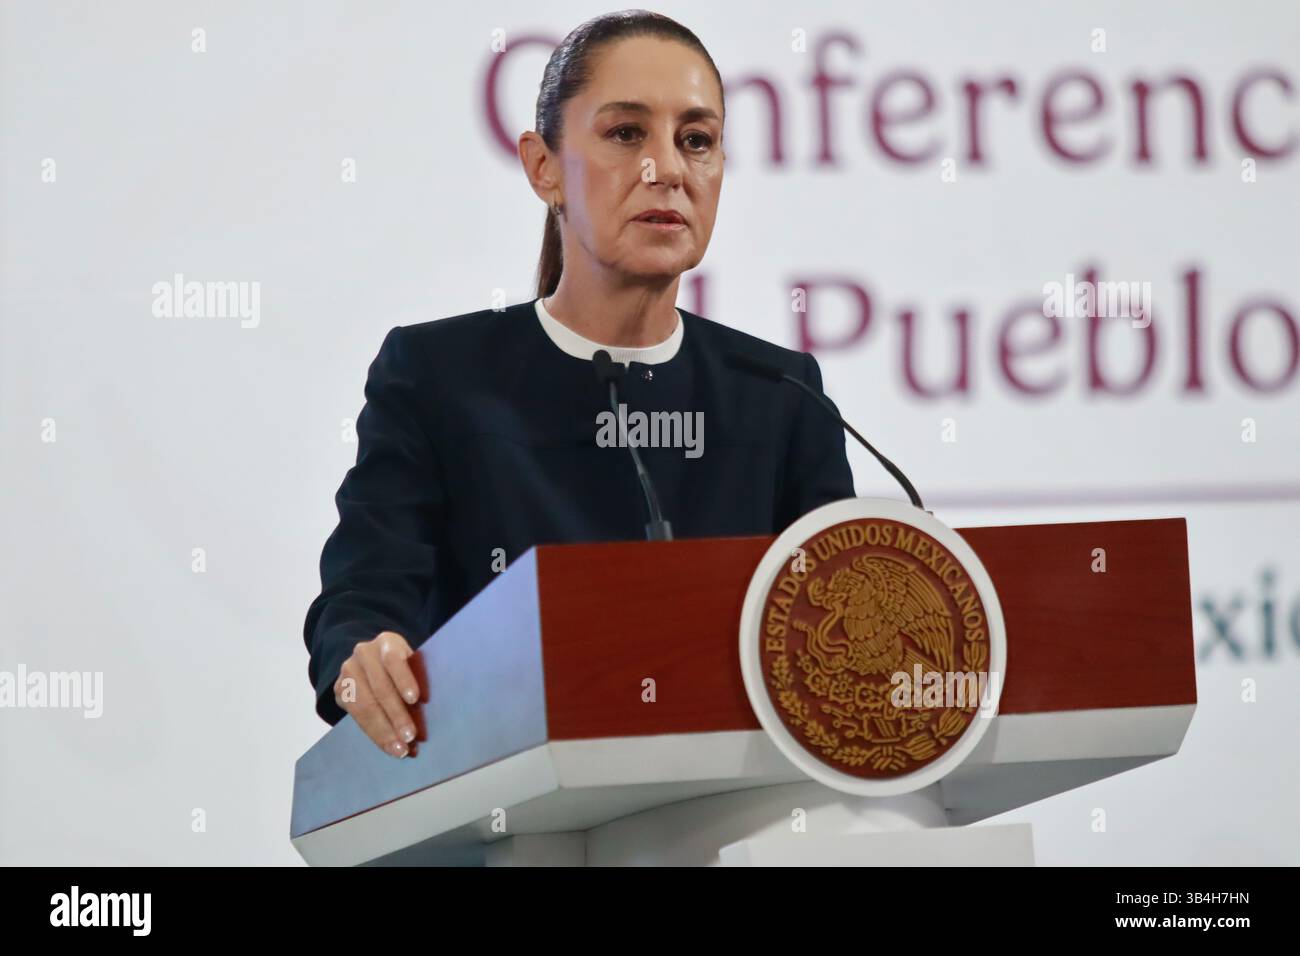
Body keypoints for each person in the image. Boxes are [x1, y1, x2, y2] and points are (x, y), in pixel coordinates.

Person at [302, 10, 855, 757]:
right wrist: (363, 657)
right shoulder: (437, 377)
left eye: (697, 140)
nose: (667, 168)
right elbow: (365, 596)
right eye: (627, 134)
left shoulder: (783, 395)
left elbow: (838, 626)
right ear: (543, 167)